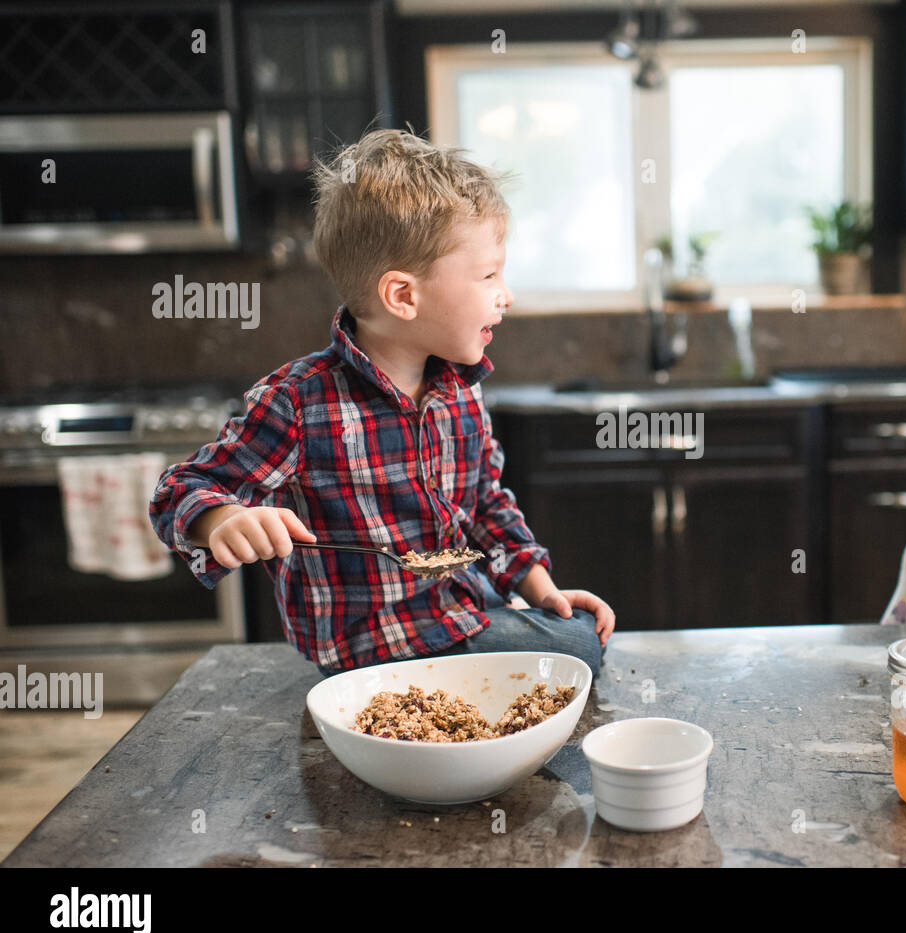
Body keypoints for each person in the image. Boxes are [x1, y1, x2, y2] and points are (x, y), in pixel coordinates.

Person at [149, 129, 613, 678]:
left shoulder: (461, 391)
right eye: (489, 275)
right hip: (372, 650)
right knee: (577, 651)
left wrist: (541, 591)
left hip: (463, 611)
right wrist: (222, 519)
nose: (505, 294)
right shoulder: (299, 402)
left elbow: (486, 506)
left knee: (578, 634)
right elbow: (178, 489)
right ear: (403, 296)